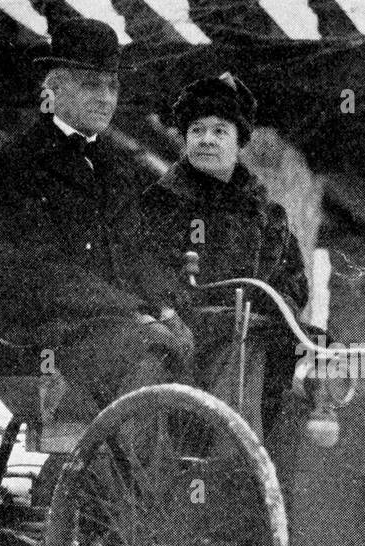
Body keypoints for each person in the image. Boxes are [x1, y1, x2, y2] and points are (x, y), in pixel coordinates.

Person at [0, 17, 193, 410]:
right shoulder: (13, 165)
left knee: (206, 341)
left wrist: (164, 307)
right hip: (42, 333)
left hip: (110, 326)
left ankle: (170, 465)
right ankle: (125, 470)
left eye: (112, 86)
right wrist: (135, 314)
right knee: (151, 352)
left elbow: (137, 254)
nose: (106, 98)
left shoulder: (119, 168)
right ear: (55, 88)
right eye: (91, 85)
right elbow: (41, 269)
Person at [134, 73, 311, 435]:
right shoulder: (159, 204)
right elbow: (145, 271)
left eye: (220, 131)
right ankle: (229, 454)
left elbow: (292, 280)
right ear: (184, 139)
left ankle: (291, 460)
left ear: (239, 141)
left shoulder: (266, 212)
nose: (207, 140)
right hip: (185, 334)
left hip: (255, 331)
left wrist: (276, 310)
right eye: (197, 131)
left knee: (325, 351)